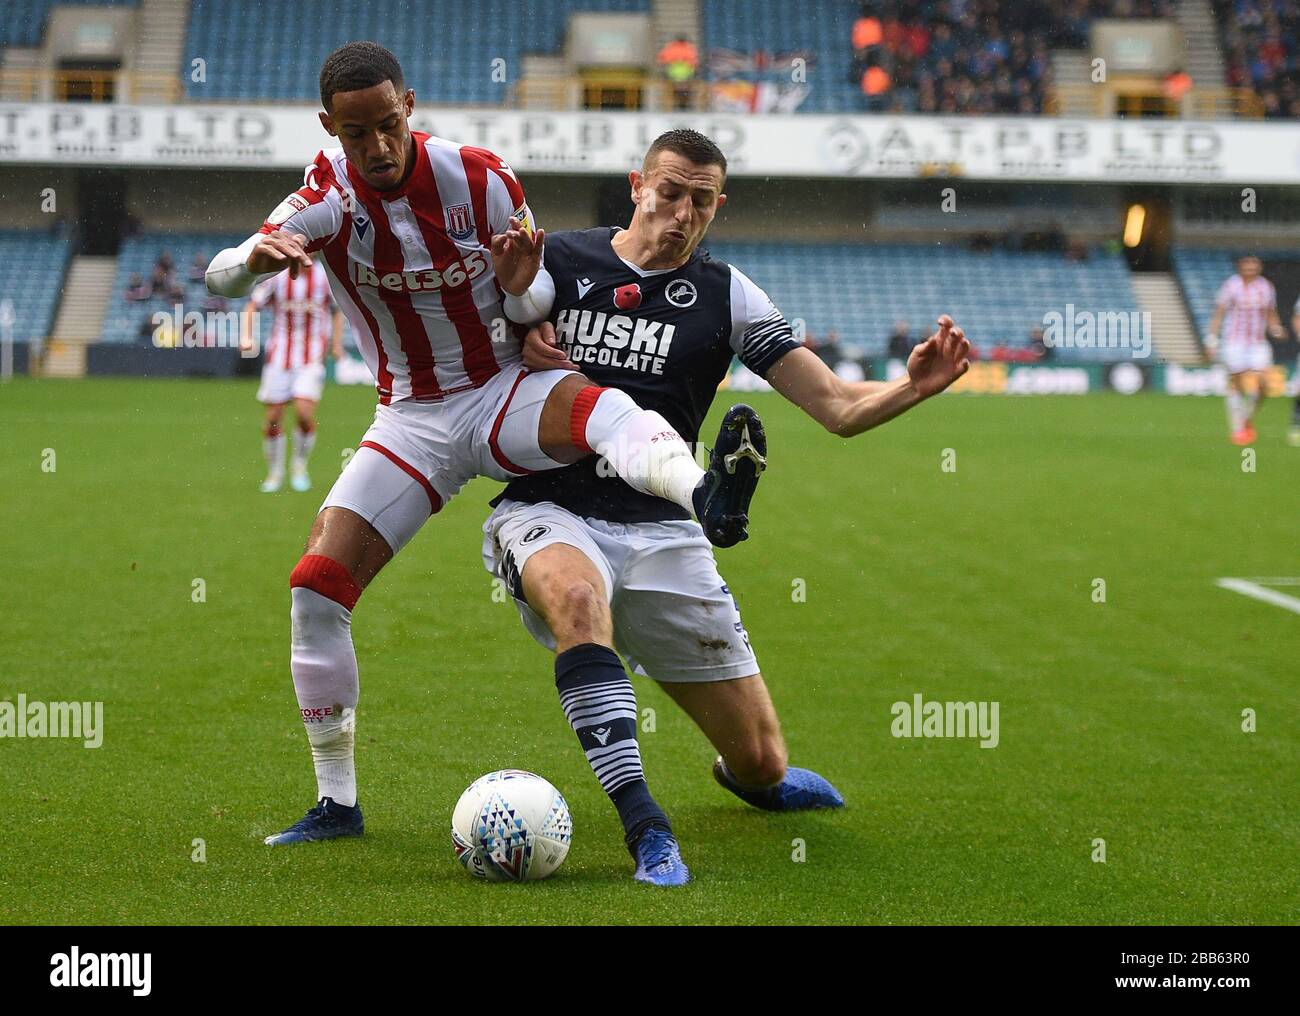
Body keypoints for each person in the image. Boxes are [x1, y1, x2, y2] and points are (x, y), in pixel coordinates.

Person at [204, 43, 758, 848]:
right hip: (412, 420)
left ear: (411, 107)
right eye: (359, 133)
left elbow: (530, 298)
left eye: (390, 125)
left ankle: (702, 495)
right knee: (315, 589)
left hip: (499, 389)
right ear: (331, 128)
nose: (380, 146)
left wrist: (525, 283)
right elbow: (221, 274)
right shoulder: (326, 195)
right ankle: (337, 804)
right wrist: (252, 260)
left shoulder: (482, 178)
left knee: (601, 408)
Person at [488, 129, 971, 885]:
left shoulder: (728, 294)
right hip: (549, 507)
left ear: (719, 204)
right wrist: (518, 329)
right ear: (637, 185)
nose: (683, 213)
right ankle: (647, 828)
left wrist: (915, 387)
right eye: (671, 192)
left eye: (702, 200)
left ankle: (751, 777)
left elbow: (838, 407)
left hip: (665, 527)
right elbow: (471, 348)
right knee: (578, 603)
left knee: (761, 762)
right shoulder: (556, 260)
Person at [242, 258, 344, 492]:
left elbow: (337, 311)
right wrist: (246, 336)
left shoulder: (325, 277)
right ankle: (275, 472)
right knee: (273, 417)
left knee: (304, 412)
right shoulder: (278, 276)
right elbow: (252, 304)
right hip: (279, 356)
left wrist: (336, 344)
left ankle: (299, 466)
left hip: (311, 357)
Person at [1204, 255, 1285, 445]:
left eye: (1254, 268)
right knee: (1237, 383)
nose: (1251, 271)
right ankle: (1238, 428)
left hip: (1257, 342)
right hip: (1234, 342)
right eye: (1248, 268)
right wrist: (1212, 339)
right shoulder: (1231, 286)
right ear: (1241, 268)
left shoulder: (1266, 287)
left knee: (1264, 382)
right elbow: (1219, 313)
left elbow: (1271, 314)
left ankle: (1246, 417)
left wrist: (1276, 328)